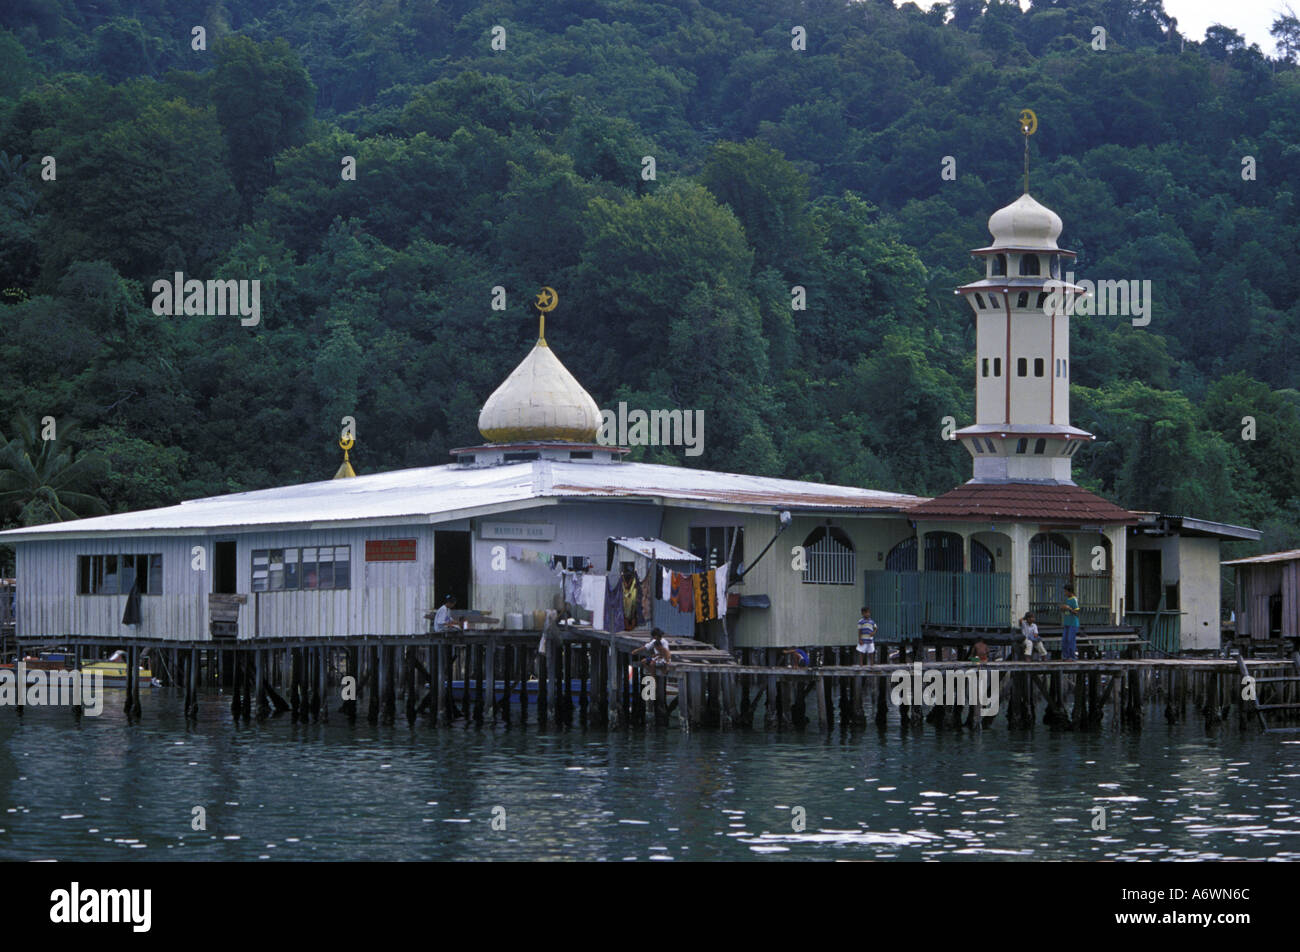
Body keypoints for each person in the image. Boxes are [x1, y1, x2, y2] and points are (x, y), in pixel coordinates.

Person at [1060, 585, 1080, 660]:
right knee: (1064, 640)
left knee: (1070, 640)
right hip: (1067, 623)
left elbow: (1076, 612)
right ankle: (1066, 656)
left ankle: (1072, 657)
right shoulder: (1067, 599)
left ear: (1069, 591)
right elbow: (1064, 610)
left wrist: (1069, 608)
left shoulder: (1074, 599)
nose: (1065, 593)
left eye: (1065, 591)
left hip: (1073, 623)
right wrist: (1062, 608)